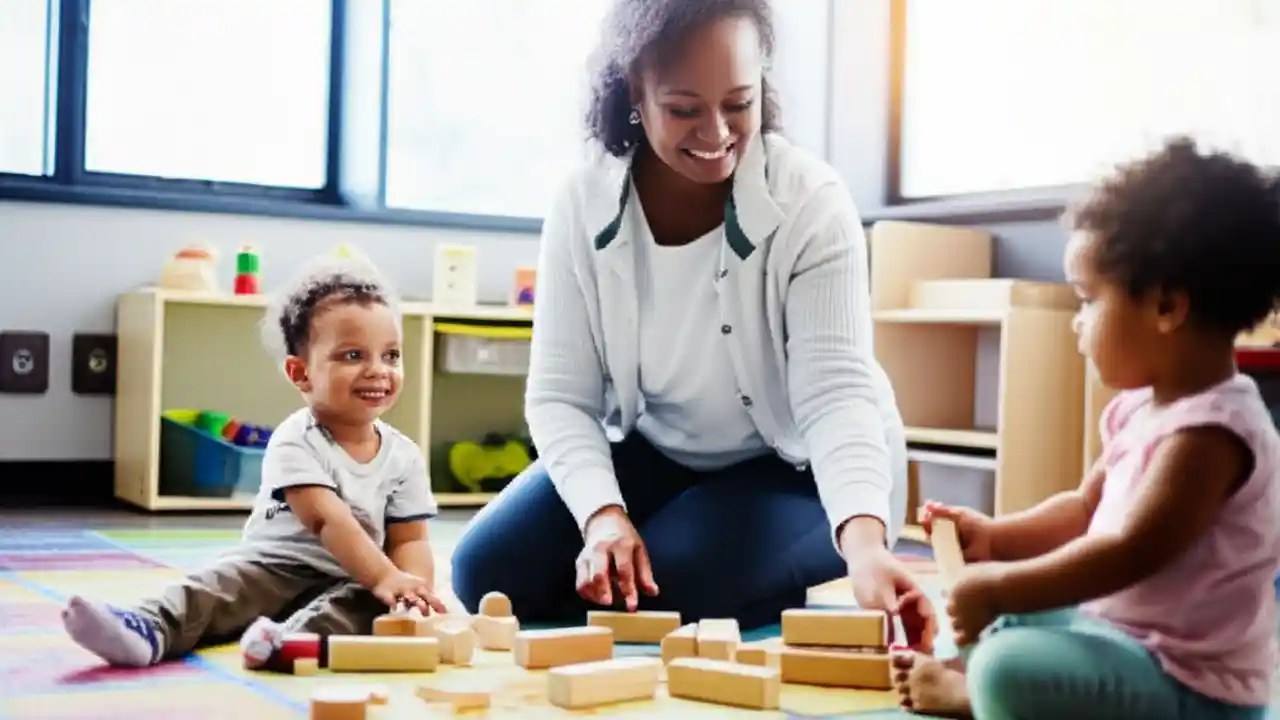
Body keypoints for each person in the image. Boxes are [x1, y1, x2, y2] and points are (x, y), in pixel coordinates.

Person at [451, 0, 924, 636]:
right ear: (633, 96)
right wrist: (603, 517)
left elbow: (836, 397)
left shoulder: (811, 200)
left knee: (667, 581)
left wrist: (867, 546)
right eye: (683, 109)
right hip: (663, 448)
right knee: (486, 572)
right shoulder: (581, 202)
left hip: (798, 468)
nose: (717, 133)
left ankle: (746, 578)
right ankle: (727, 583)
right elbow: (562, 397)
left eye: (739, 103)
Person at [893, 137, 1280, 719]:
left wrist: (1001, 584)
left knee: (1003, 664)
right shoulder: (1140, 409)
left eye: (1088, 299)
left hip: (1189, 689)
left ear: (1168, 307)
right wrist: (996, 538)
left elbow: (1125, 552)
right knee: (997, 619)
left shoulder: (1211, 434)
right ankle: (970, 678)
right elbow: (1082, 509)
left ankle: (976, 690)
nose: (1078, 323)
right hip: (1122, 638)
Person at [61, 257, 447, 667]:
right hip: (276, 565)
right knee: (219, 586)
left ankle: (292, 644)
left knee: (366, 606)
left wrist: (411, 590)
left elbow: (410, 539)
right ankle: (151, 625)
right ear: (301, 374)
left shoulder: (403, 455)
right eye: (353, 355)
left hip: (356, 577)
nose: (377, 370)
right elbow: (328, 520)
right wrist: (385, 575)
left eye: (391, 356)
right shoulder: (295, 441)